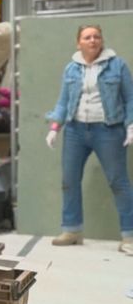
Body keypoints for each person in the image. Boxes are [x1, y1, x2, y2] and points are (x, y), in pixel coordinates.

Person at [45, 25, 133, 254]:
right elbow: (63, 101)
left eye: (96, 36)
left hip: (109, 130)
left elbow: (130, 99)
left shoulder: (117, 65)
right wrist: (55, 127)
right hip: (75, 130)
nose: (92, 40)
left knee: (118, 182)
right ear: (78, 43)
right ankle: (72, 230)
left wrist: (131, 125)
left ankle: (129, 236)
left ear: (101, 40)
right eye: (87, 37)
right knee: (69, 180)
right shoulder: (71, 69)